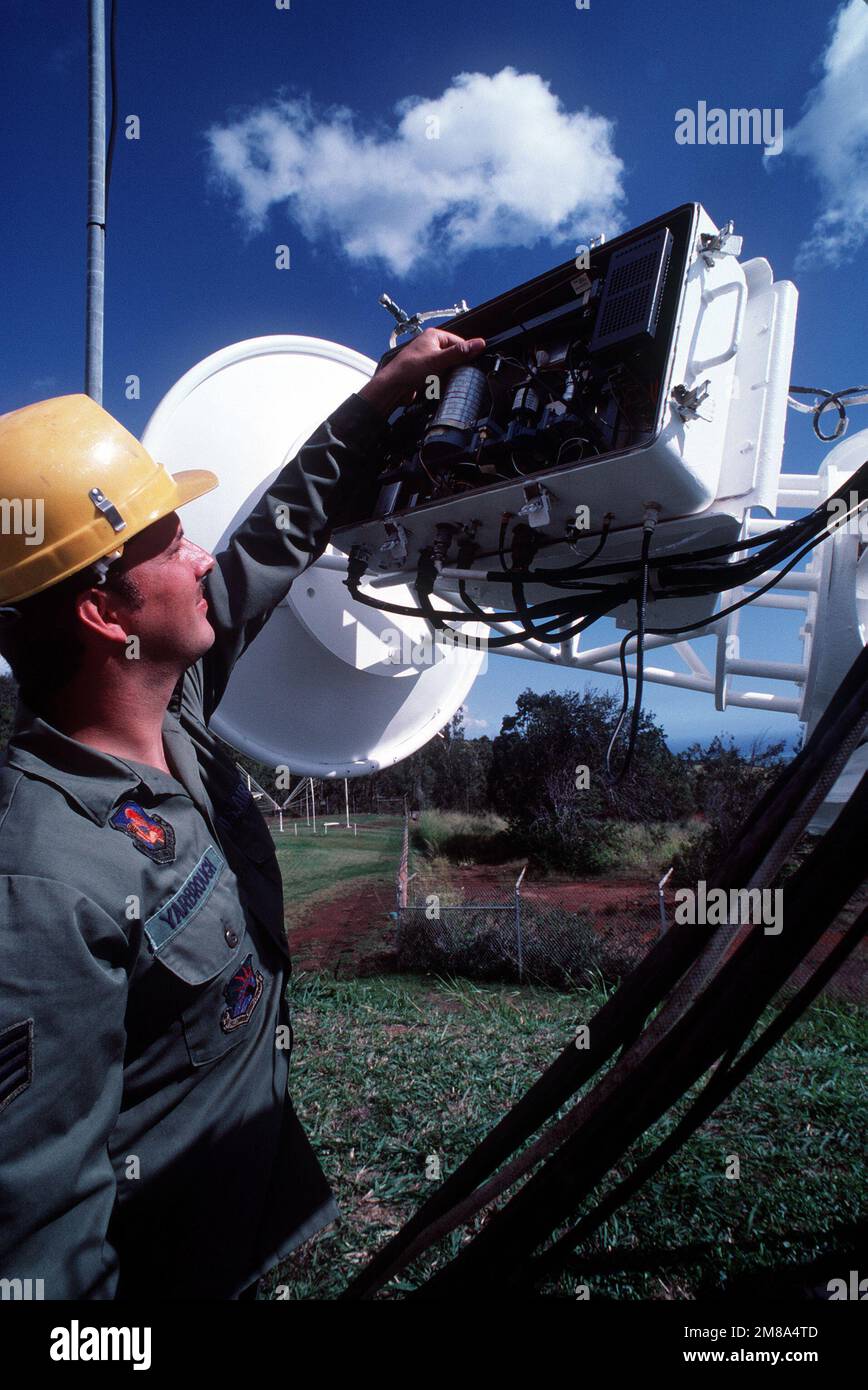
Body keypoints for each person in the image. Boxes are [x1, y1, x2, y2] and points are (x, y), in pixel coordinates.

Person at [0, 327, 485, 1300]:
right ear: (105, 614)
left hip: (239, 1221)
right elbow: (37, 1243)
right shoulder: (39, 882)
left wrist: (377, 401)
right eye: (173, 540)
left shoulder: (165, 707)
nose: (204, 550)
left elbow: (270, 539)